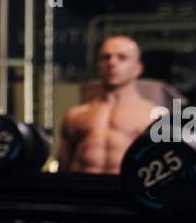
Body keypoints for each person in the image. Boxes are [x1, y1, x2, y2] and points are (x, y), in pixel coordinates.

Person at [57, 35, 164, 174]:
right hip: (82, 191)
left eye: (122, 58)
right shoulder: (75, 115)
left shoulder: (154, 116)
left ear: (138, 68)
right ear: (97, 65)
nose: (112, 63)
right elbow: (63, 169)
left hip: (125, 192)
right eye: (105, 57)